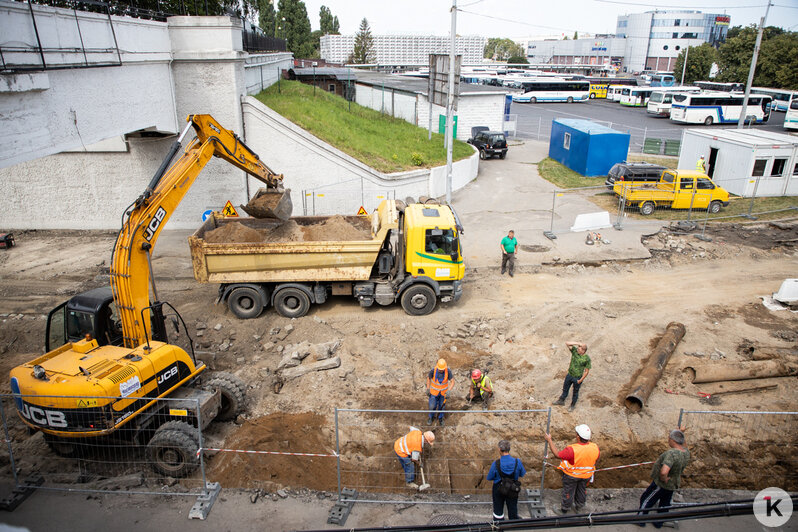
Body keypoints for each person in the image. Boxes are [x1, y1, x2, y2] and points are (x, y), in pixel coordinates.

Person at [636, 428, 690, 528]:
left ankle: (640, 519)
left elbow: (664, 471)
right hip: (673, 483)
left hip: (662, 484)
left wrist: (663, 478)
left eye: (669, 438)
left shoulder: (672, 454)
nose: (668, 440)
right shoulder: (686, 452)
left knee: (646, 499)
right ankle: (659, 522)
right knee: (665, 504)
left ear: (673, 440)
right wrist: (681, 433)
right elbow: (684, 444)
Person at [544, 424, 600, 514]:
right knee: (581, 490)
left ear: (578, 436)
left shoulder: (572, 449)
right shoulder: (595, 447)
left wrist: (549, 440)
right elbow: (596, 459)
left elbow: (557, 454)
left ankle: (564, 510)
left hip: (571, 476)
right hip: (586, 475)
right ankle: (579, 507)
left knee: (568, 491)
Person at [486, 440, 526, 521]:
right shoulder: (517, 462)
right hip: (513, 488)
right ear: (509, 449)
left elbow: (489, 477)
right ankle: (513, 522)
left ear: (500, 450)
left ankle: (499, 524)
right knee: (512, 507)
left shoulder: (496, 463)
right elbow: (522, 474)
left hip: (499, 488)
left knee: (498, 510)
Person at [553, 341, 591, 411]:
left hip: (577, 378)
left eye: (579, 349)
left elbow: (586, 371)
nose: (577, 349)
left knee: (575, 392)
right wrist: (578, 343)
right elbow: (567, 343)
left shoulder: (587, 359)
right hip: (569, 375)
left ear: (583, 351)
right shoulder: (575, 352)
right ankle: (561, 400)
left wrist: (580, 380)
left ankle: (572, 405)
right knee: (565, 389)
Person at [427, 358, 454, 426]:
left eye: (442, 370)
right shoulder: (433, 371)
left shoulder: (448, 371)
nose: (441, 371)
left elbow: (452, 381)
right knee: (432, 406)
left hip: (443, 393)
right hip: (434, 392)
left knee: (442, 406)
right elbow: (428, 378)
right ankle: (431, 417)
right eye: (440, 369)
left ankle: (440, 418)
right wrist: (428, 388)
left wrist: (449, 391)